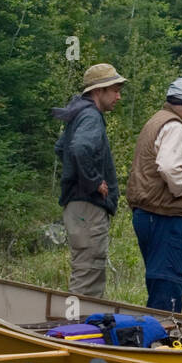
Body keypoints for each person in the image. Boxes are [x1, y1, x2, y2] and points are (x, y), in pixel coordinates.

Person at [126, 76, 182, 312]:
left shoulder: (157, 120)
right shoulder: (175, 127)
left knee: (158, 281)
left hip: (149, 214)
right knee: (168, 284)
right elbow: (169, 167)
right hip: (164, 216)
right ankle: (164, 342)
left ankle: (156, 336)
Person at [52, 63, 125, 297]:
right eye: (114, 90)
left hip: (77, 206)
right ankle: (78, 331)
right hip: (88, 208)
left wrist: (76, 176)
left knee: (84, 271)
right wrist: (94, 181)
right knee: (88, 278)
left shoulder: (79, 114)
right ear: (98, 91)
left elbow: (61, 147)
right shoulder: (91, 116)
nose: (118, 96)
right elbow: (79, 147)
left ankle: (77, 327)